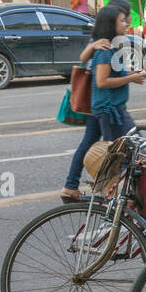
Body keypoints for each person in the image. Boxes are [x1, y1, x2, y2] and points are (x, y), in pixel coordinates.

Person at [60, 29, 119, 202]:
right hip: (104, 103)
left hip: (97, 102)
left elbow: (85, 60)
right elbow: (99, 74)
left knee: (89, 142)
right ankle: (109, 192)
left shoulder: (103, 38)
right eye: (123, 20)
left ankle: (71, 186)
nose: (126, 23)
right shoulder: (105, 39)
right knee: (113, 149)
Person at [89, 3, 146, 142]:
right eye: (121, 21)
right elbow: (102, 82)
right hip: (110, 110)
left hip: (114, 108)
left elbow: (111, 74)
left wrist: (128, 74)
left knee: (125, 147)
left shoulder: (112, 47)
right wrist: (131, 78)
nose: (126, 24)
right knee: (129, 146)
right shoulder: (105, 51)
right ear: (111, 25)